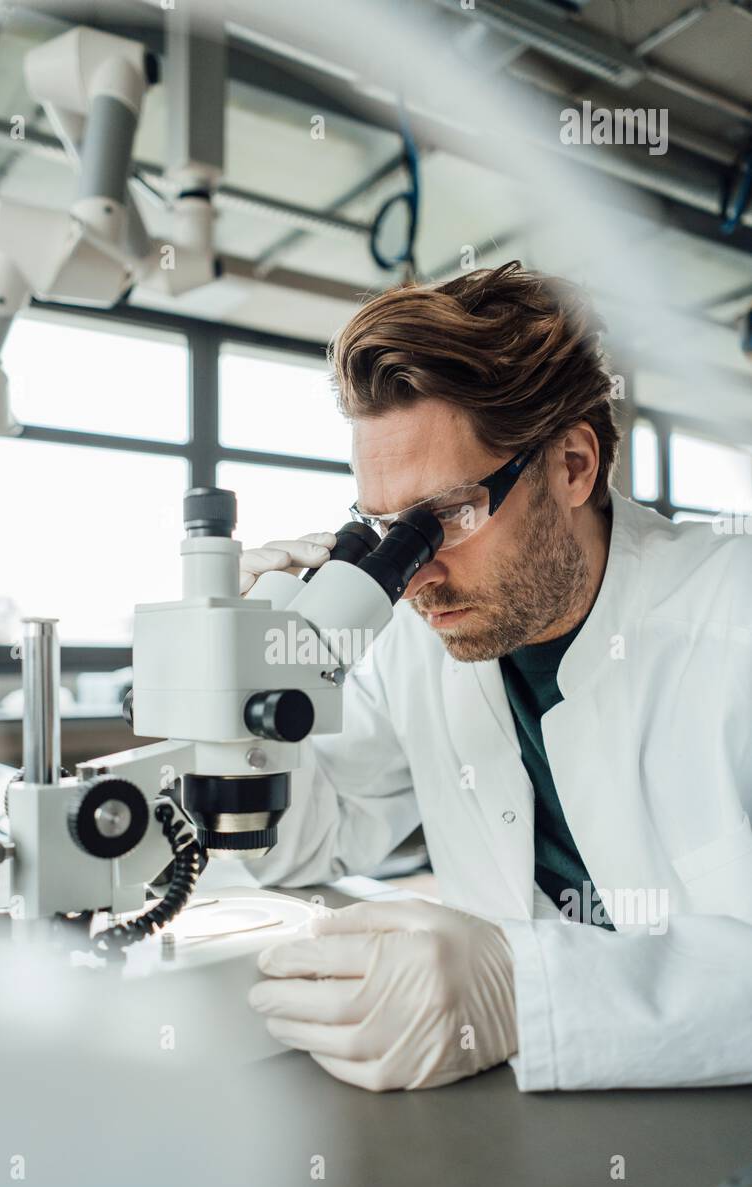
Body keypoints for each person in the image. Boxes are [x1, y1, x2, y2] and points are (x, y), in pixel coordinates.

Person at [240, 260, 752, 1094]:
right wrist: (248, 686)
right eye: (386, 530)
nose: (416, 576)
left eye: (446, 517)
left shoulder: (734, 607)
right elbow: (314, 838)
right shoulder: (419, 643)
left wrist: (528, 993)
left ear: (574, 465)